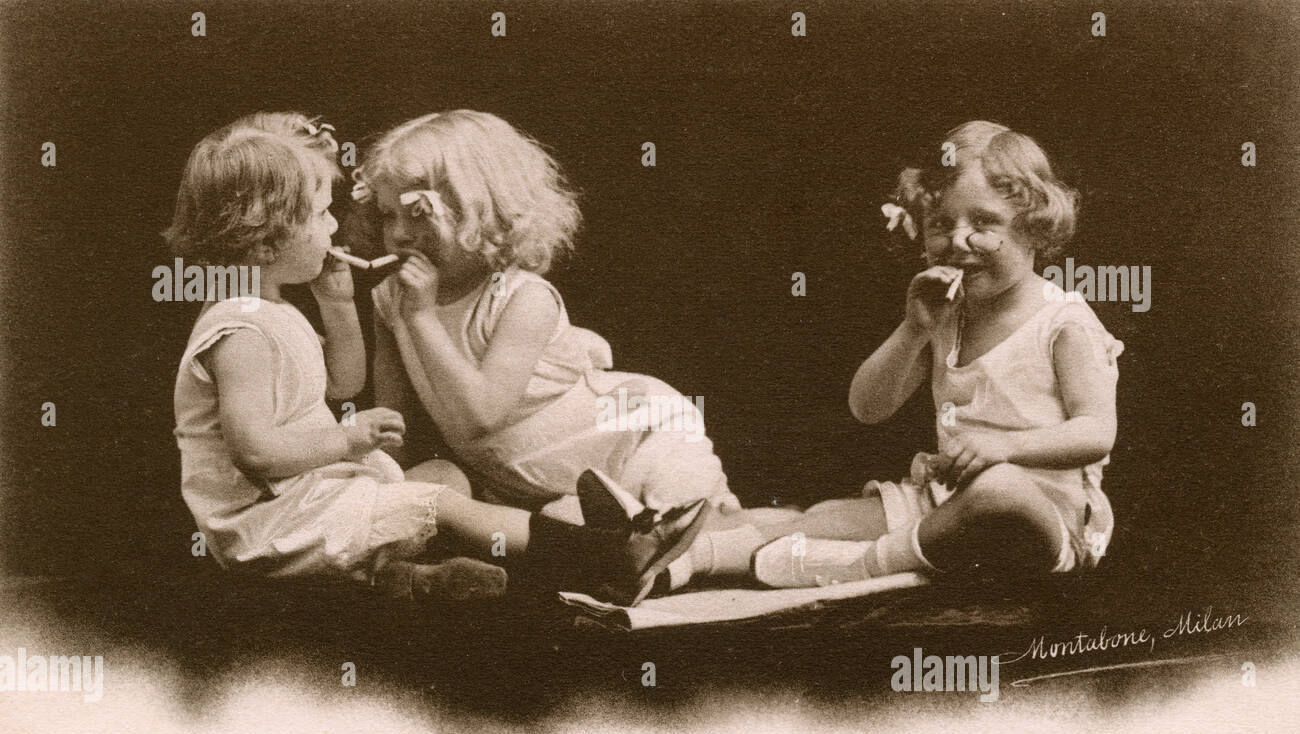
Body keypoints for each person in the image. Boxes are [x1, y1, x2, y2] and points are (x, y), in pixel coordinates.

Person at [168, 116, 708, 607]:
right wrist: (350, 441)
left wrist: (337, 307)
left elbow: (342, 384)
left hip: (305, 494)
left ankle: (404, 577)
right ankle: (604, 558)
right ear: (266, 244)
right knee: (442, 506)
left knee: (445, 478)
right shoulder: (241, 332)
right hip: (266, 522)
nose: (335, 228)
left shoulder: (273, 311)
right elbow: (256, 454)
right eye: (321, 214)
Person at [671, 120, 1124, 589]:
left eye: (984, 223)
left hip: (1047, 515)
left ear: (1034, 228)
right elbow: (867, 408)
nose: (958, 241)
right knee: (823, 517)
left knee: (998, 488)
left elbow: (1096, 431)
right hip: (943, 500)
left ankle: (868, 564)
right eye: (941, 224)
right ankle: (687, 552)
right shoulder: (946, 314)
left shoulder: (1062, 321)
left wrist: (1004, 448)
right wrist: (914, 330)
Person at [352, 110, 740, 522]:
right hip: (543, 482)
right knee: (604, 537)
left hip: (633, 434)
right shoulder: (392, 300)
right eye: (388, 214)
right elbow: (394, 422)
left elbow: (480, 417)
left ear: (482, 212)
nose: (399, 235)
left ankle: (781, 532)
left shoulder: (524, 298)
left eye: (418, 213)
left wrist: (422, 317)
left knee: (705, 525)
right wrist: (382, 496)